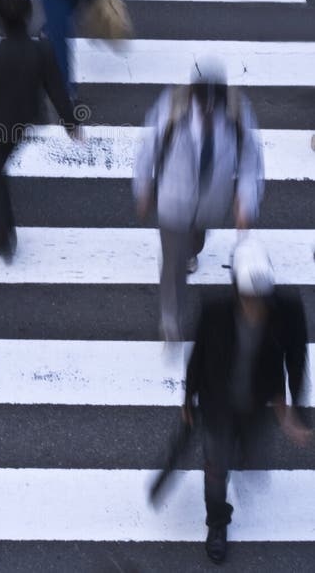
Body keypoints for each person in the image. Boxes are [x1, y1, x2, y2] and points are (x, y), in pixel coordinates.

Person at [184, 237, 311, 564]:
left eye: (261, 298)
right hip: (218, 403)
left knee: (250, 452)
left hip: (259, 401)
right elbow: (198, 356)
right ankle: (217, 524)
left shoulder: (288, 310)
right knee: (216, 465)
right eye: (248, 297)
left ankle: (238, 455)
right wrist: (188, 397)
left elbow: (296, 360)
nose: (255, 305)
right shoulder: (214, 312)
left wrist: (295, 412)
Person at [134, 61, 263, 341]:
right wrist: (143, 187)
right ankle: (171, 317)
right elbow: (148, 150)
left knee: (196, 240)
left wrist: (246, 199)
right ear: (193, 97)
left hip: (211, 200)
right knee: (174, 262)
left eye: (212, 107)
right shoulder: (171, 108)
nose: (207, 113)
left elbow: (251, 161)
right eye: (203, 105)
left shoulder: (237, 112)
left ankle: (191, 249)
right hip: (174, 199)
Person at [0, 0, 78, 262]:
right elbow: (57, 90)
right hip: (22, 123)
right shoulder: (43, 51)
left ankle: (3, 239)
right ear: (28, 16)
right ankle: (3, 235)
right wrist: (71, 123)